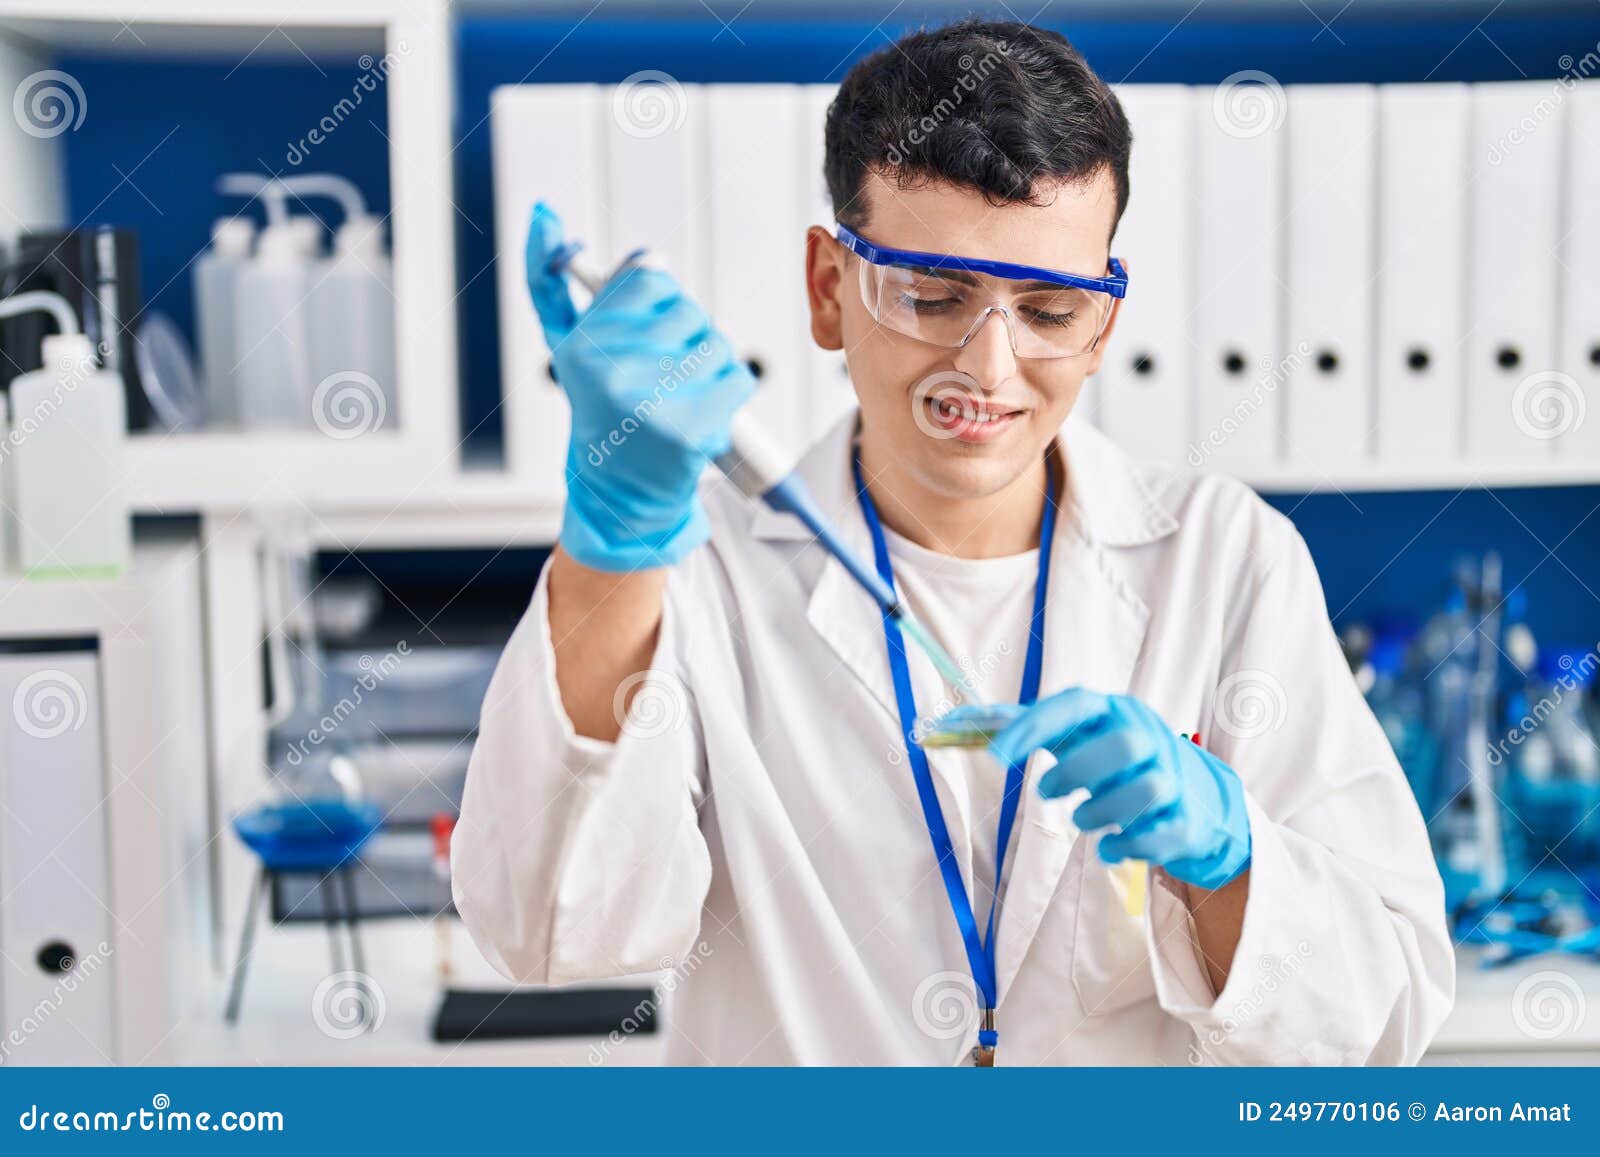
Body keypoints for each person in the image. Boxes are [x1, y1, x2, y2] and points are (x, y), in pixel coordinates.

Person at [453, 17, 1453, 1066]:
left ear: (1105, 324)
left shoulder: (1224, 559)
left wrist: (1226, 856)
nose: (988, 364)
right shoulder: (701, 575)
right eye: (932, 294)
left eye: (1051, 308)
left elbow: (1380, 1019)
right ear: (830, 290)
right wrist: (613, 547)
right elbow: (547, 930)